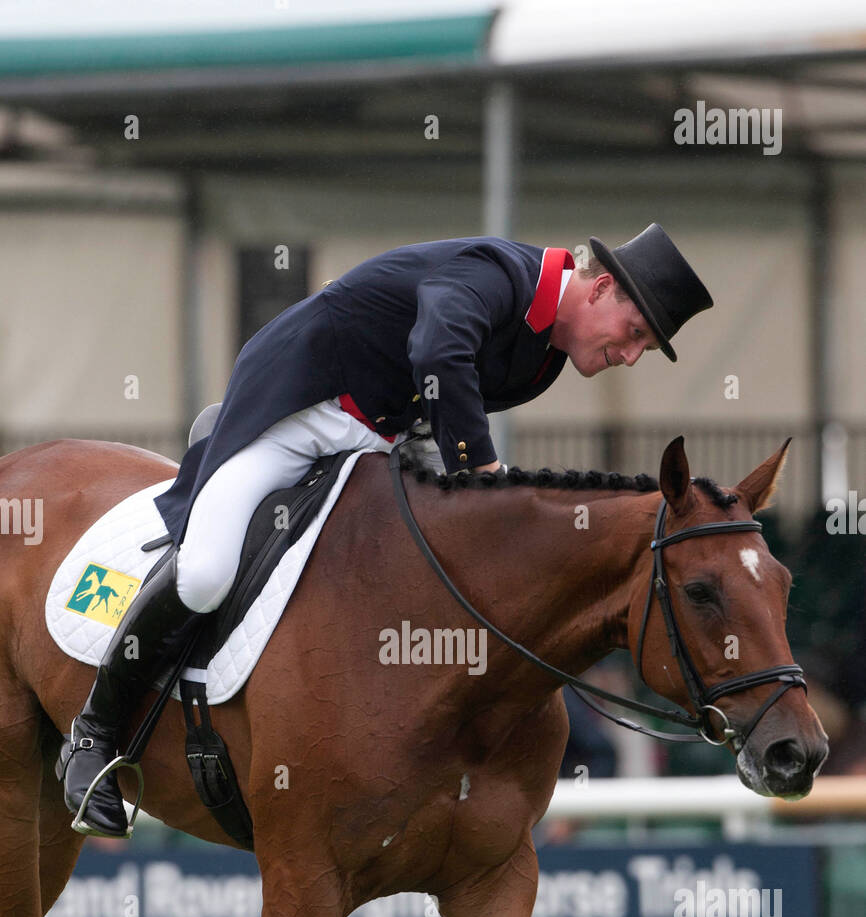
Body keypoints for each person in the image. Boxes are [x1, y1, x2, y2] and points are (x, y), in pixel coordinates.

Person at [57, 224, 713, 836]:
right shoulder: (497, 274)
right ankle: (93, 735)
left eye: (642, 349)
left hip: (379, 443)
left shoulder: (545, 358)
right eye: (633, 333)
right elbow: (436, 349)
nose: (630, 355)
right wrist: (479, 471)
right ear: (599, 288)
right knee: (204, 573)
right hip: (301, 416)